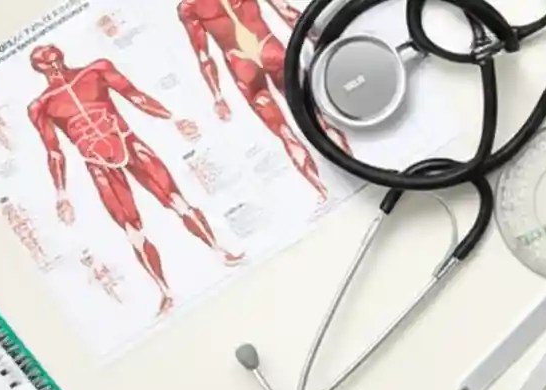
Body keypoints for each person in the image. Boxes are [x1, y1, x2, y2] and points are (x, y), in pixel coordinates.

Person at [27, 44, 243, 316]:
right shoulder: (40, 105)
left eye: (56, 60)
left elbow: (135, 97)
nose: (55, 67)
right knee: (132, 228)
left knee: (177, 201)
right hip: (99, 164)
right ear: (39, 70)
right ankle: (165, 291)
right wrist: (61, 194)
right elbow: (54, 151)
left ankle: (220, 250)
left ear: (62, 56)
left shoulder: (96, 70)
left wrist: (173, 118)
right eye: (49, 65)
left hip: (129, 143)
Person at [178, 0, 351, 200]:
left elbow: (203, 56)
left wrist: (218, 97)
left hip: (242, 65)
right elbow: (287, 12)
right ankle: (349, 165)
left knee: (285, 133)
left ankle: (322, 190)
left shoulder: (189, 7)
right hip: (270, 49)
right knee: (316, 114)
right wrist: (322, 41)